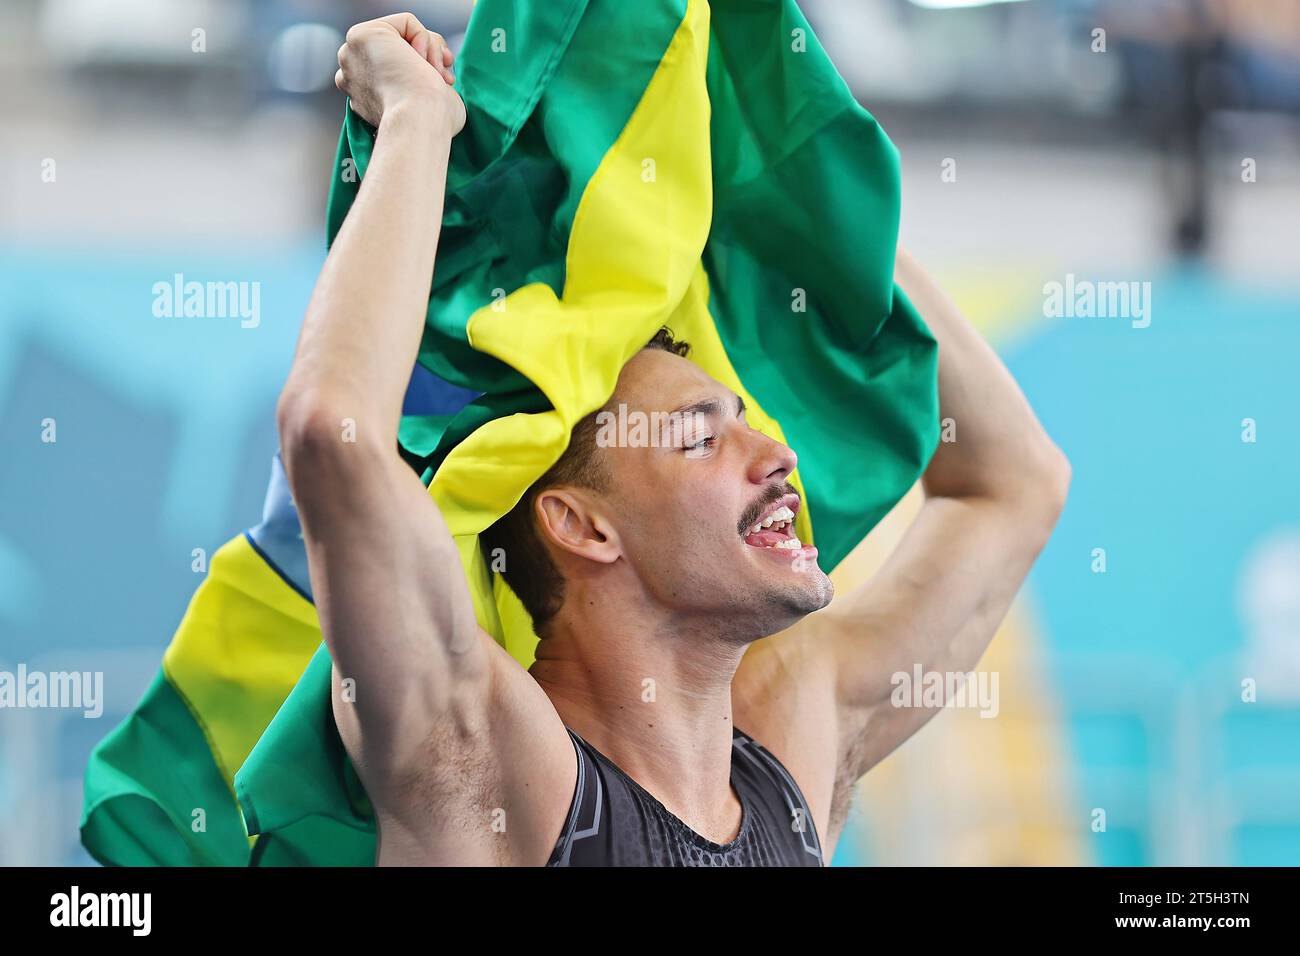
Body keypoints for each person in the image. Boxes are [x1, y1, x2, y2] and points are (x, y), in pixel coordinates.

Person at [276, 13, 1071, 866]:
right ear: (582, 525)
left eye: (746, 423)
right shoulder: (487, 768)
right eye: (699, 439)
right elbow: (335, 434)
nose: (778, 458)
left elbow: (1018, 482)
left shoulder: (797, 747)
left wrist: (788, 202)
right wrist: (417, 125)